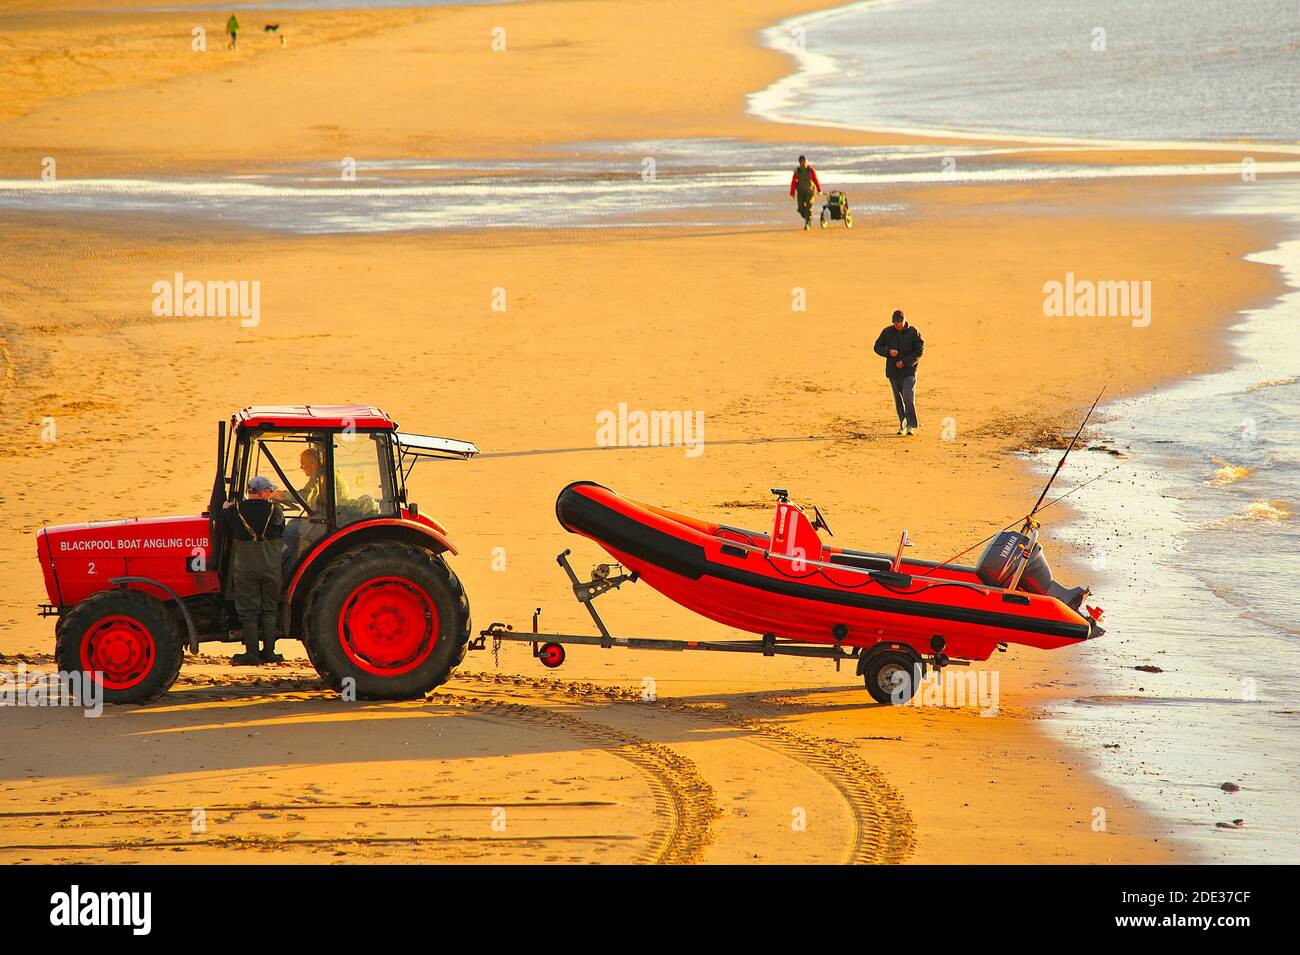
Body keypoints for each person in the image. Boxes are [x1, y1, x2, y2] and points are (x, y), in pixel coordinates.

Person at [221, 475, 285, 665]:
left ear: (250, 492)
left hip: (245, 568)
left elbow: (223, 530)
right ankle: (270, 652)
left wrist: (225, 510)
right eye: (270, 491)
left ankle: (252, 654)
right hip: (271, 567)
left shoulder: (236, 510)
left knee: (249, 611)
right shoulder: (276, 510)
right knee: (270, 609)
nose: (271, 494)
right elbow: (281, 530)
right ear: (263, 492)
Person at [873, 309, 925, 435]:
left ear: (904, 321)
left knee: (908, 397)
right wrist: (888, 352)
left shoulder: (913, 332)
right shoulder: (887, 332)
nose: (898, 326)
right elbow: (877, 347)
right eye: (895, 324)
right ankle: (903, 424)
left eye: (900, 323)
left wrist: (905, 362)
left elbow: (920, 351)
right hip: (893, 372)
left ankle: (911, 426)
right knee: (899, 400)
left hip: (909, 372)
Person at [789, 155, 822, 231]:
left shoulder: (811, 170)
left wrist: (819, 190)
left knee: (808, 207)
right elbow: (793, 182)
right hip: (800, 192)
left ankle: (807, 223)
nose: (804, 163)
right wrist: (792, 192)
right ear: (800, 163)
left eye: (805, 161)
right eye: (802, 162)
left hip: (810, 192)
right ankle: (809, 217)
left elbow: (816, 180)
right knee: (800, 208)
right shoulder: (797, 171)